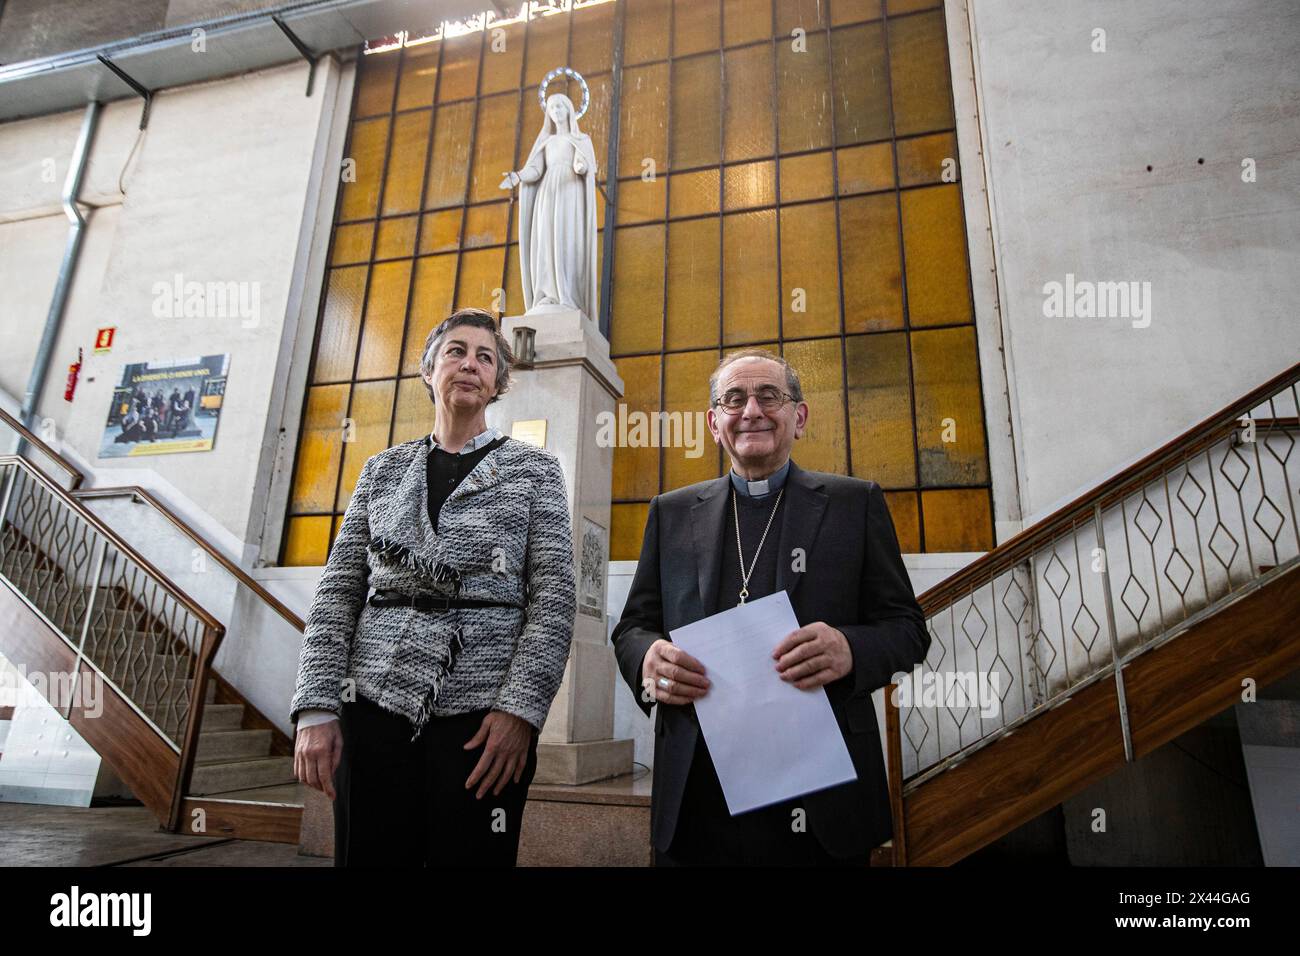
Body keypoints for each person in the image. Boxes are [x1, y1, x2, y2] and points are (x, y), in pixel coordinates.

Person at [611, 348, 930, 866]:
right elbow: (633, 627)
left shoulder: (855, 503)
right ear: (715, 423)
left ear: (798, 416)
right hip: (699, 790)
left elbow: (907, 628)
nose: (751, 410)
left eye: (769, 396)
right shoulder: (670, 513)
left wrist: (849, 648)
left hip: (819, 792)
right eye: (733, 399)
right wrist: (648, 659)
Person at [290, 307, 576, 867]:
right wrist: (316, 707)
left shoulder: (534, 471)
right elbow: (339, 591)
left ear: (497, 384)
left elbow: (554, 598)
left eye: (485, 358)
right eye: (456, 351)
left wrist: (521, 712)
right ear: (429, 370)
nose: (470, 364)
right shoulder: (382, 470)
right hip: (373, 704)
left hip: (482, 719)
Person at [499, 91, 598, 320]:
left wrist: (582, 165)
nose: (556, 112)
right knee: (545, 240)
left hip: (570, 191)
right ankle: (547, 294)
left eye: (560, 107)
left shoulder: (581, 139)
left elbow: (584, 164)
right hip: (548, 193)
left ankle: (568, 295)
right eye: (552, 108)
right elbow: (535, 170)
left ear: (569, 110)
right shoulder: (546, 142)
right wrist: (518, 176)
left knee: (566, 240)